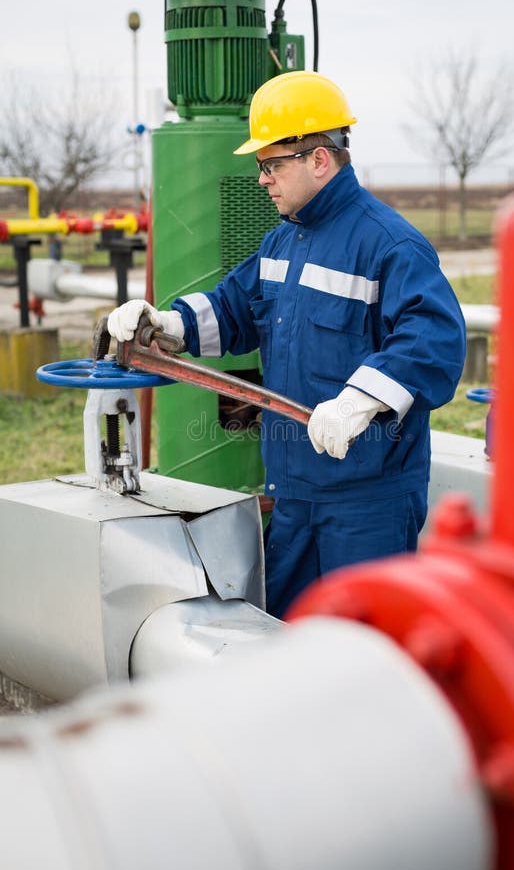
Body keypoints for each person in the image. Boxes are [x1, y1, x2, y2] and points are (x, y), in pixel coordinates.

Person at [108, 70, 466, 619]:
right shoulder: (282, 240)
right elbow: (236, 307)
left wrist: (358, 401)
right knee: (290, 642)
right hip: (295, 493)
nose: (262, 180)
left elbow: (433, 341)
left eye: (271, 165)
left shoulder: (390, 245)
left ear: (318, 159)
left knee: (362, 652)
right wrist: (168, 323)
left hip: (367, 503)